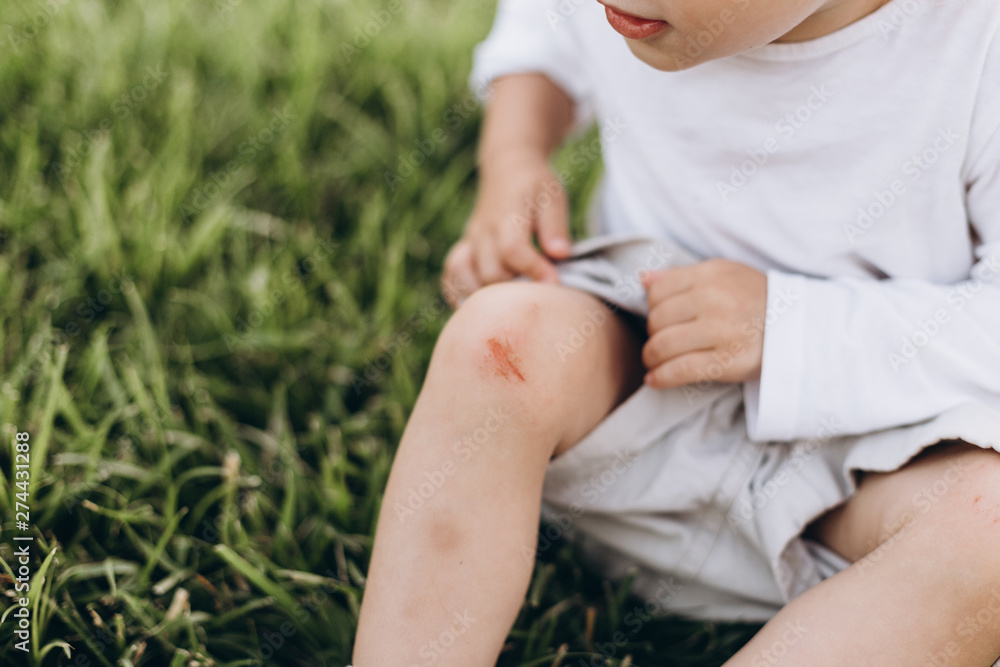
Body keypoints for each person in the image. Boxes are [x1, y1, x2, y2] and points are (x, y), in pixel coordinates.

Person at [352, 0, 1000, 664]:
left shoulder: (979, 44)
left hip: (875, 472)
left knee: (989, 527)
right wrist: (516, 155)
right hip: (642, 397)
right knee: (498, 338)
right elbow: (545, 25)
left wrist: (785, 327)